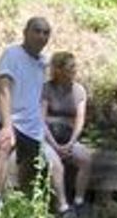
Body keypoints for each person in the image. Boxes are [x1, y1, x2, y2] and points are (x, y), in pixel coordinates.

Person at [0, 16, 73, 217]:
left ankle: (63, 208)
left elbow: (60, 79)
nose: (41, 36)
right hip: (7, 121)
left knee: (55, 163)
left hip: (32, 128)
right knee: (5, 143)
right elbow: (3, 90)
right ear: (25, 32)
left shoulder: (43, 63)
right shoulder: (12, 54)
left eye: (46, 32)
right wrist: (7, 126)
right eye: (37, 31)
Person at [41, 51, 94, 216]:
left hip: (68, 137)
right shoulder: (46, 89)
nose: (74, 70)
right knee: (55, 163)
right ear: (58, 70)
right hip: (48, 137)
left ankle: (79, 201)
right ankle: (63, 206)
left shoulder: (79, 90)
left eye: (75, 66)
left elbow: (80, 120)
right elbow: (40, 120)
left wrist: (71, 143)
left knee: (86, 158)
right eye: (70, 67)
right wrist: (55, 145)